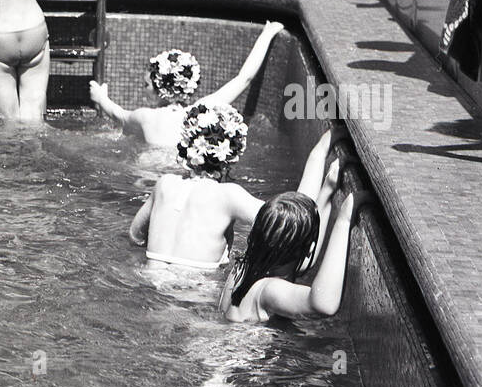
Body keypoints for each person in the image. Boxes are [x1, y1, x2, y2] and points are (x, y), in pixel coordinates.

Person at [131, 115, 338, 273]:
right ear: (229, 159)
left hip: (149, 277)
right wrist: (318, 153)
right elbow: (292, 219)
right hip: (193, 292)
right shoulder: (228, 195)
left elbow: (135, 234)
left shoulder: (164, 183)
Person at [90, 23, 282, 146]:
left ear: (162, 91)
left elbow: (118, 115)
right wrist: (266, 34)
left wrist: (100, 97)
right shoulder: (201, 111)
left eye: (146, 85)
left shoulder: (147, 117)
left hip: (147, 181)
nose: (143, 88)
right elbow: (244, 78)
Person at [220, 187, 359, 323]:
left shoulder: (242, 267)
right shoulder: (270, 290)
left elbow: (303, 264)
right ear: (310, 249)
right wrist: (343, 222)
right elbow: (324, 304)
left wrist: (327, 190)